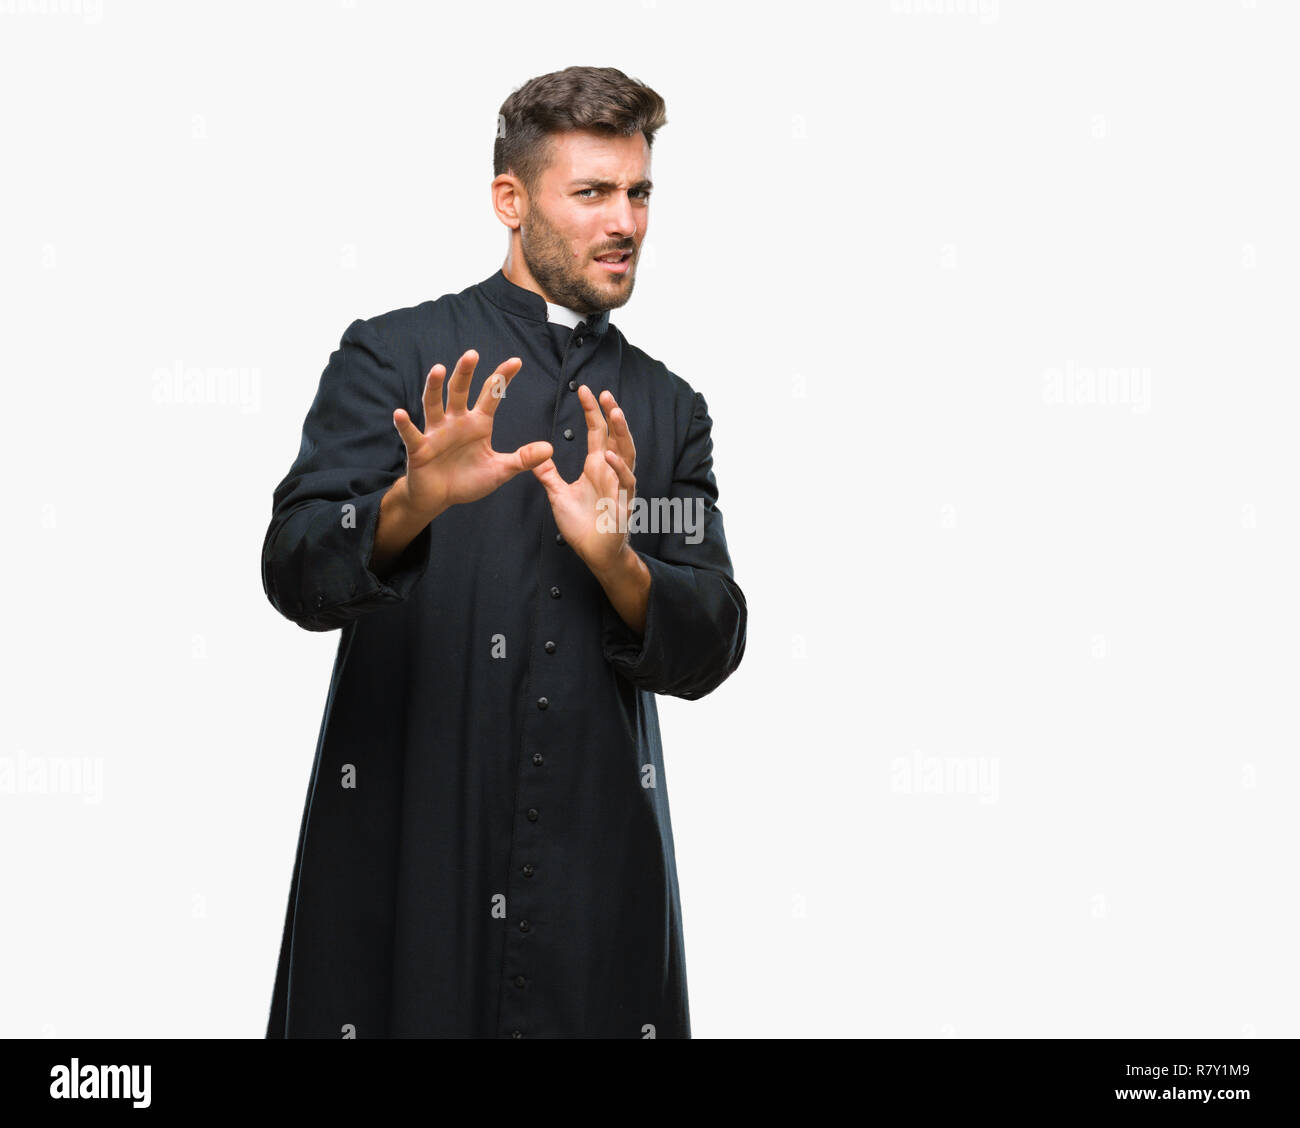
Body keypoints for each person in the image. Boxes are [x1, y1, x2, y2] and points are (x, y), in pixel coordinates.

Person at [260, 65, 746, 1039]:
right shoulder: (396, 359)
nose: (627, 223)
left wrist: (622, 561)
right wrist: (407, 503)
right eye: (593, 192)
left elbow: (715, 636)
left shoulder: (664, 409)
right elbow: (291, 568)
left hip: (593, 874)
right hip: (410, 854)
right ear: (510, 201)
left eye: (640, 192)